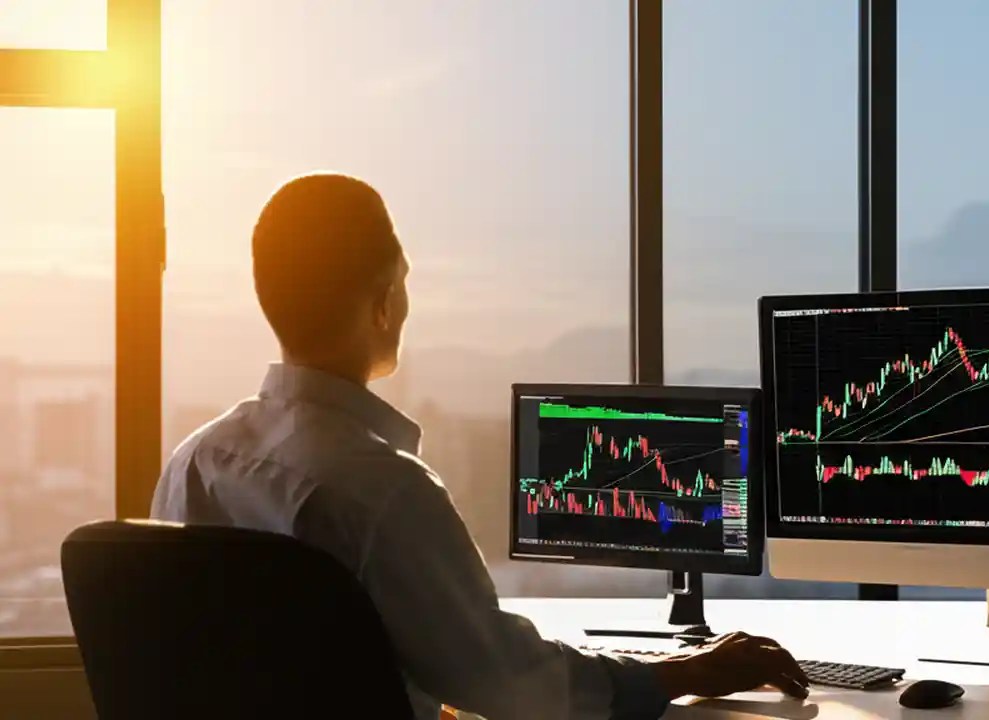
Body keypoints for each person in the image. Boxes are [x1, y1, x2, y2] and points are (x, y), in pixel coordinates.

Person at [151, 173, 809, 720]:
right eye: (403, 283)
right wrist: (682, 673)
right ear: (383, 305)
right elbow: (510, 684)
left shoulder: (192, 462)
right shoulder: (384, 491)